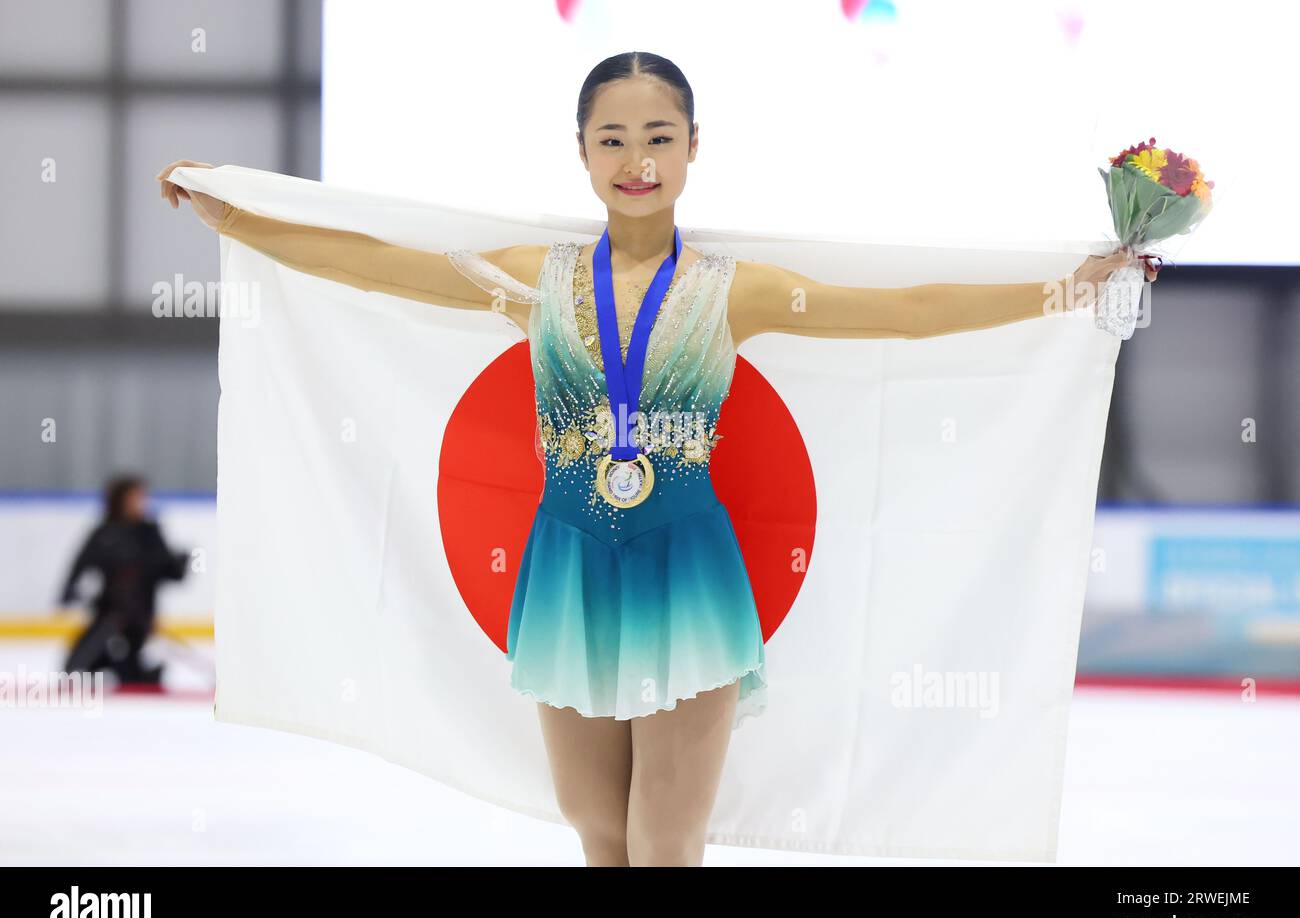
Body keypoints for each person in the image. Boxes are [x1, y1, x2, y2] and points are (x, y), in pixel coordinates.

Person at [156, 51, 1153, 866]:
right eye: (613, 138)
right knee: (599, 833)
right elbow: (368, 262)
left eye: (657, 137)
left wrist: (1069, 291)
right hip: (566, 567)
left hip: (688, 574)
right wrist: (232, 217)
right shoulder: (529, 282)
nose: (636, 158)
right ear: (583, 152)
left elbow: (907, 312)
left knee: (662, 841)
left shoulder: (736, 291)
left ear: (690, 148)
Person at [60, 474, 190, 686]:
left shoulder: (149, 533)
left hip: (139, 619)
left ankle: (138, 672)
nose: (141, 502)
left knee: (131, 675)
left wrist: (181, 563)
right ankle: (119, 666)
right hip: (109, 616)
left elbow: (169, 572)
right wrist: (70, 591)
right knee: (74, 669)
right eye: (135, 497)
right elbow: (81, 565)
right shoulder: (105, 533)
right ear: (120, 499)